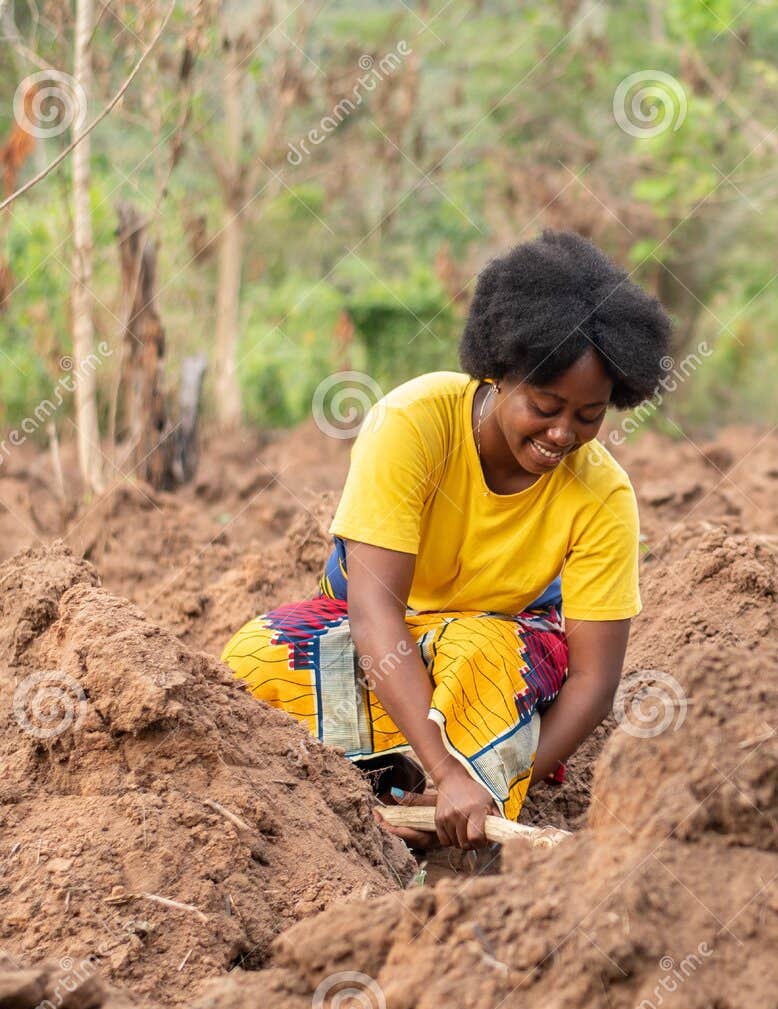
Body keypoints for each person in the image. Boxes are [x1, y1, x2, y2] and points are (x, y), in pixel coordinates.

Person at [222, 230, 671, 849]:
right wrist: (444, 768)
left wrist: (489, 782)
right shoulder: (413, 423)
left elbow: (595, 681)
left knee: (484, 650)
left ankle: (450, 817)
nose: (563, 433)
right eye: (545, 405)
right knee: (252, 661)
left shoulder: (603, 496)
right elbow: (374, 609)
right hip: (378, 641)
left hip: (486, 669)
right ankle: (364, 787)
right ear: (499, 372)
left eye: (588, 417)